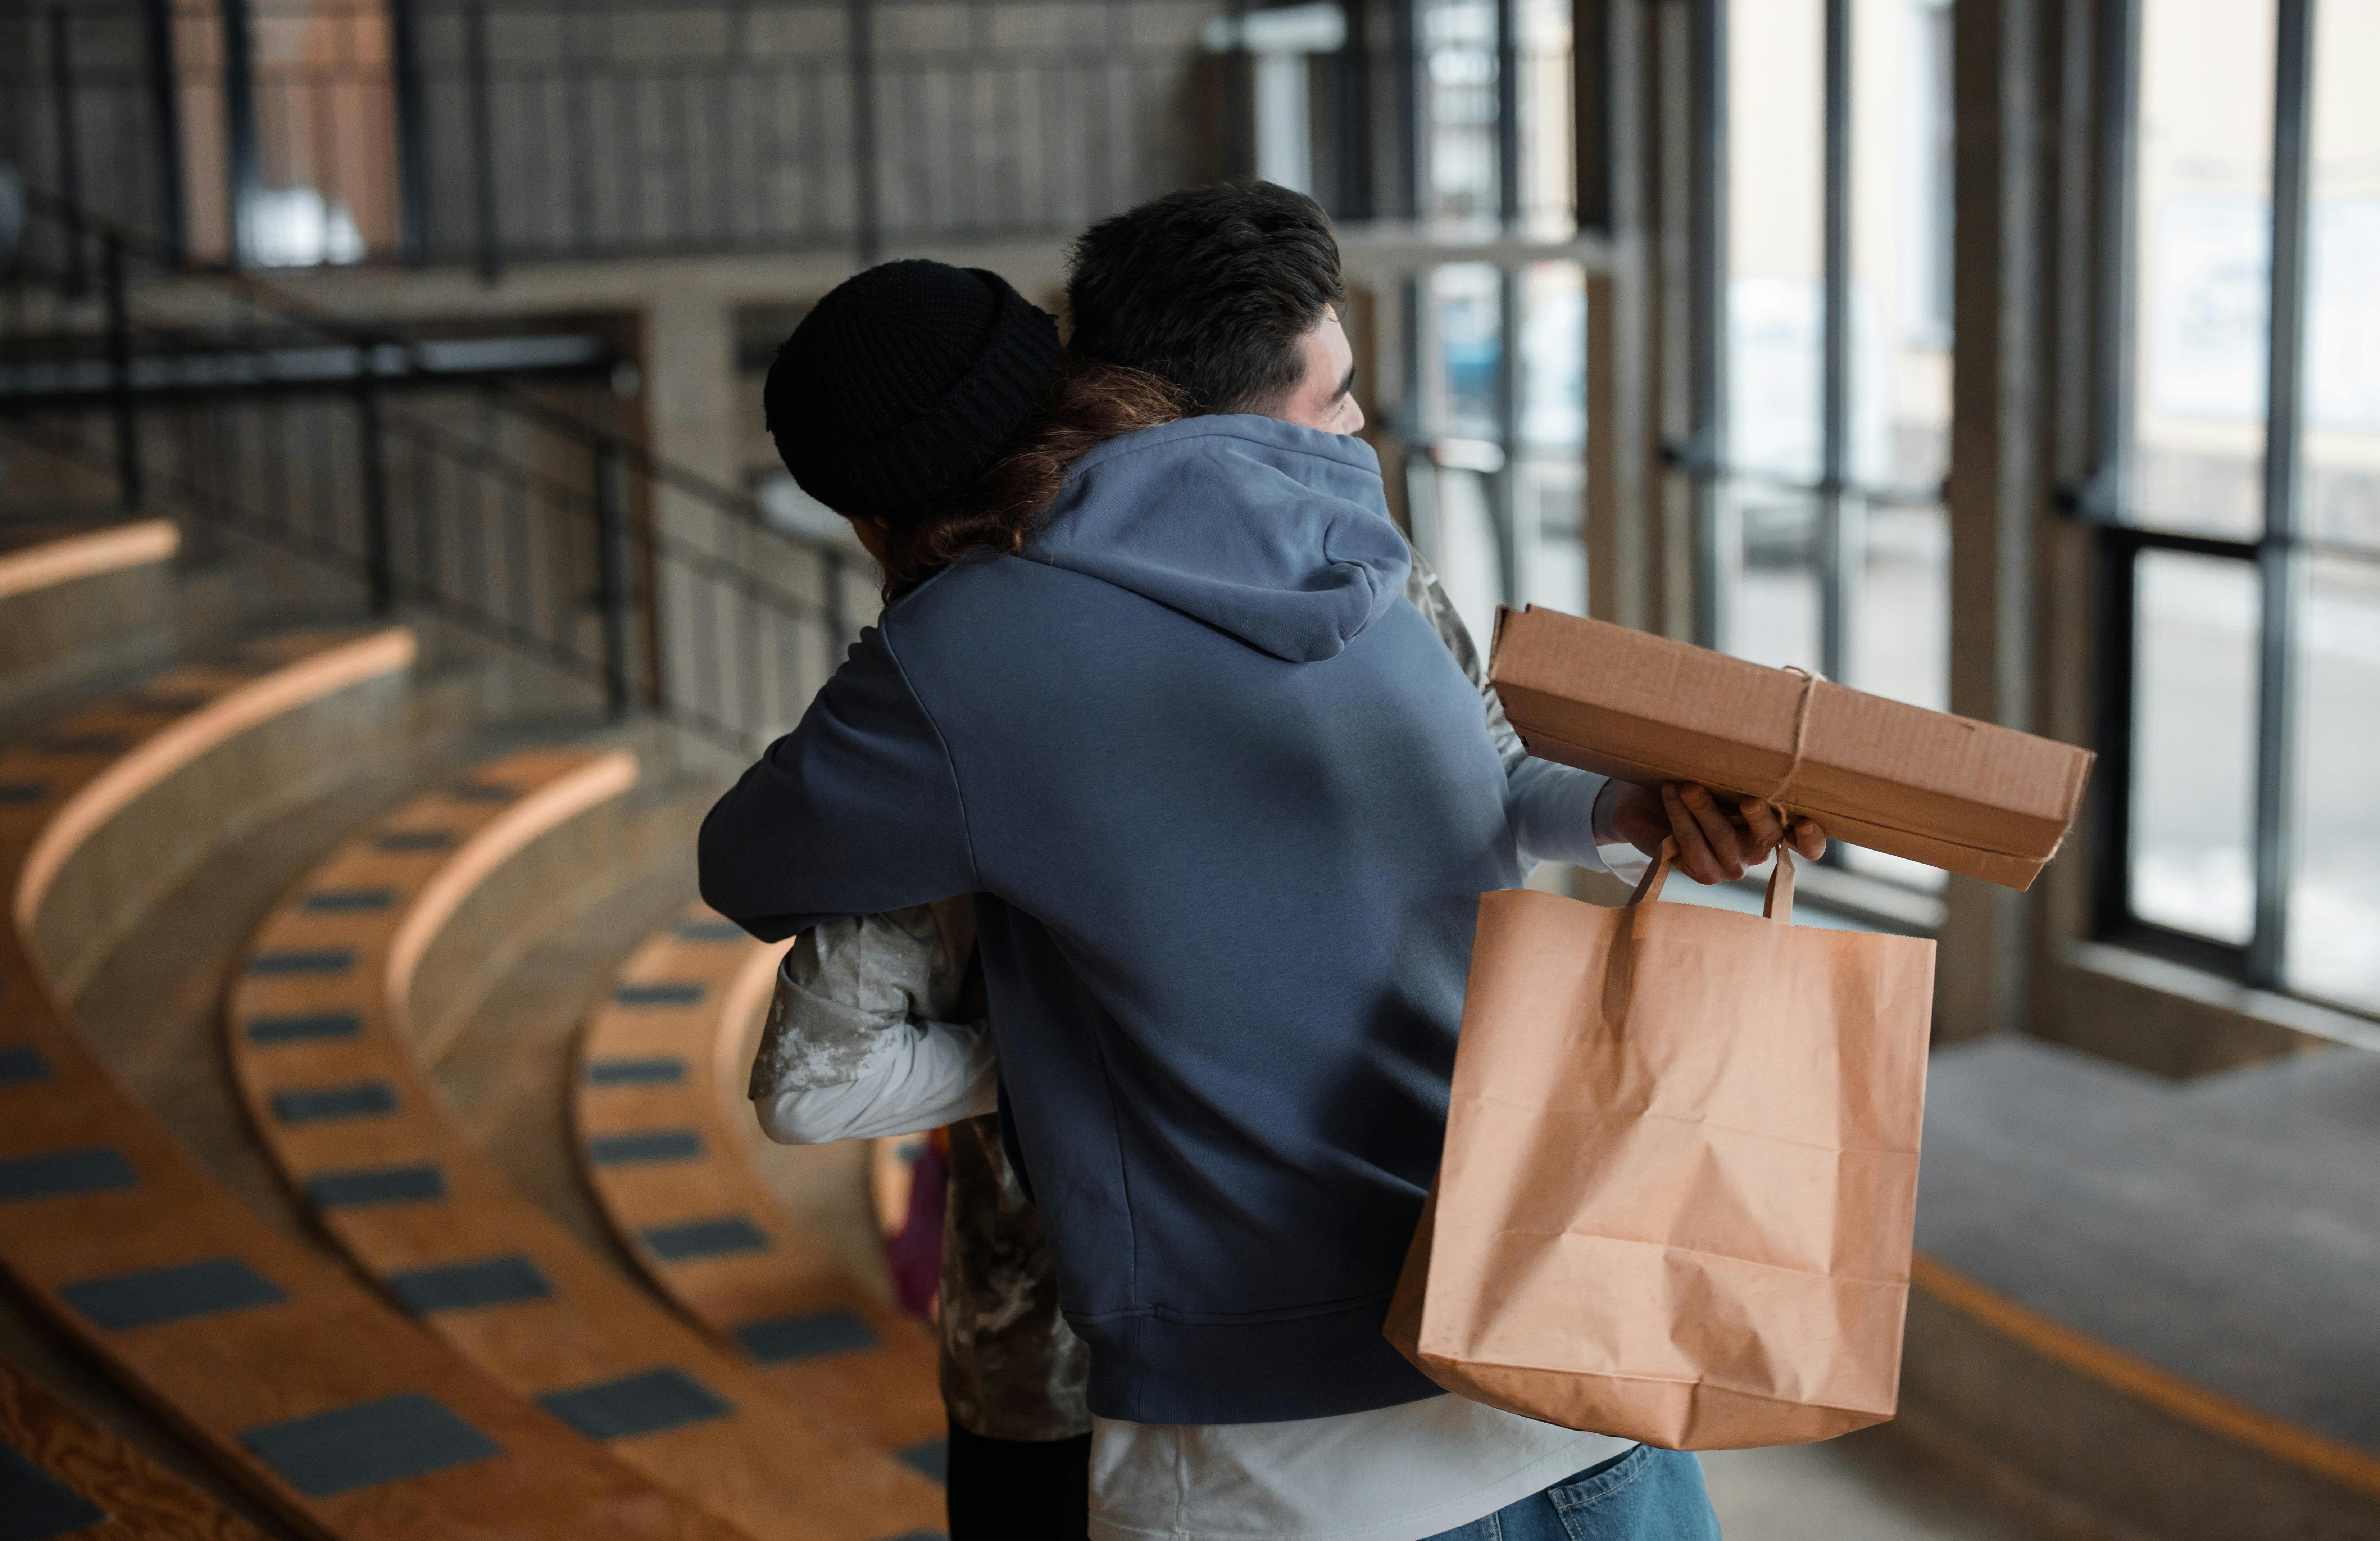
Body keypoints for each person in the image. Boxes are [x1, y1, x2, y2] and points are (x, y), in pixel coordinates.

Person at [706, 186, 1822, 1541]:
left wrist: (1092, 1042)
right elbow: (1465, 788)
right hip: (1554, 1329)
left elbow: (760, 915)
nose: (1355, 431)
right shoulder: (1357, 553)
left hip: (1265, 1433)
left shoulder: (955, 667)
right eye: (1337, 394)